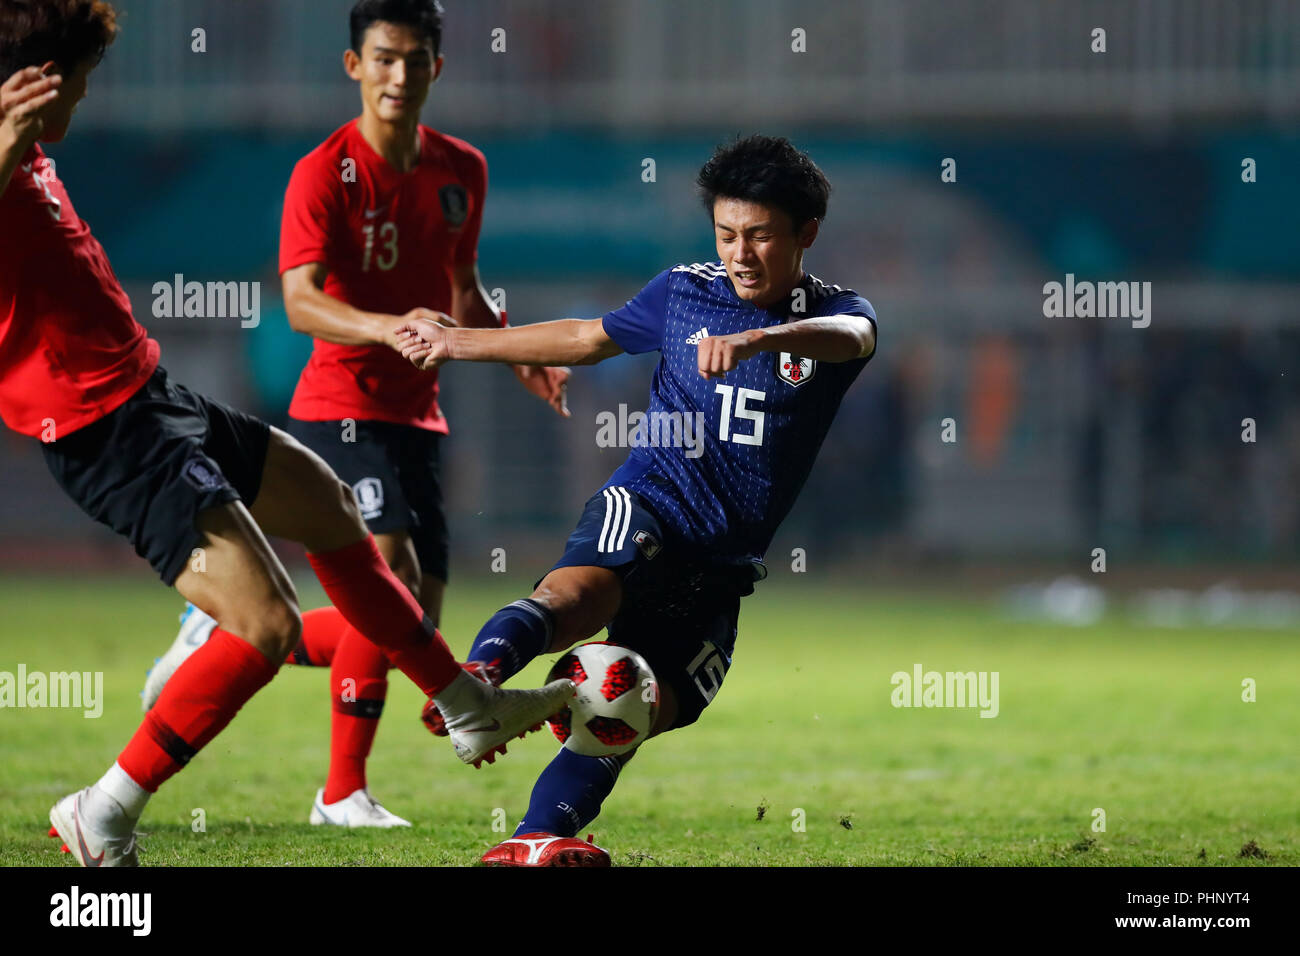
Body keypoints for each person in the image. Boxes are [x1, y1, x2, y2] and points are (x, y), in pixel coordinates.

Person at [0, 0, 572, 867]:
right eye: (81, 82)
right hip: (101, 425)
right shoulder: (13, 154)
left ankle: (465, 705)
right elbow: (301, 298)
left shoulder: (32, 152)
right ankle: (107, 809)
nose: (85, 99)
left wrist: (499, 340)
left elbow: (465, 276)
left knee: (331, 508)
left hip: (151, 391)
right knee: (267, 624)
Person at [403, 134, 877, 866]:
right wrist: (456, 342)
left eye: (759, 235)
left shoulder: (837, 313)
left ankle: (533, 842)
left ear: (805, 233)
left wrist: (761, 337)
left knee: (628, 703)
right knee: (578, 595)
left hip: (722, 568)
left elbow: (850, 338)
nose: (739, 253)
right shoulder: (684, 293)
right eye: (726, 234)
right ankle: (479, 690)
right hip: (652, 500)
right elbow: (586, 337)